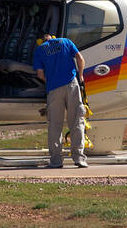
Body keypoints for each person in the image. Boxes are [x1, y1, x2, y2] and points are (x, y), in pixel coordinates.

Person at [32, 31, 88, 169]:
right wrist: (80, 76)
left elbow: (40, 74)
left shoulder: (39, 50)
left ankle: (56, 161)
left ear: (40, 41)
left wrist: (50, 81)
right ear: (52, 37)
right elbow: (80, 58)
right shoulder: (66, 42)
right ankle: (79, 159)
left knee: (55, 126)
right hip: (72, 85)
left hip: (53, 89)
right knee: (76, 121)